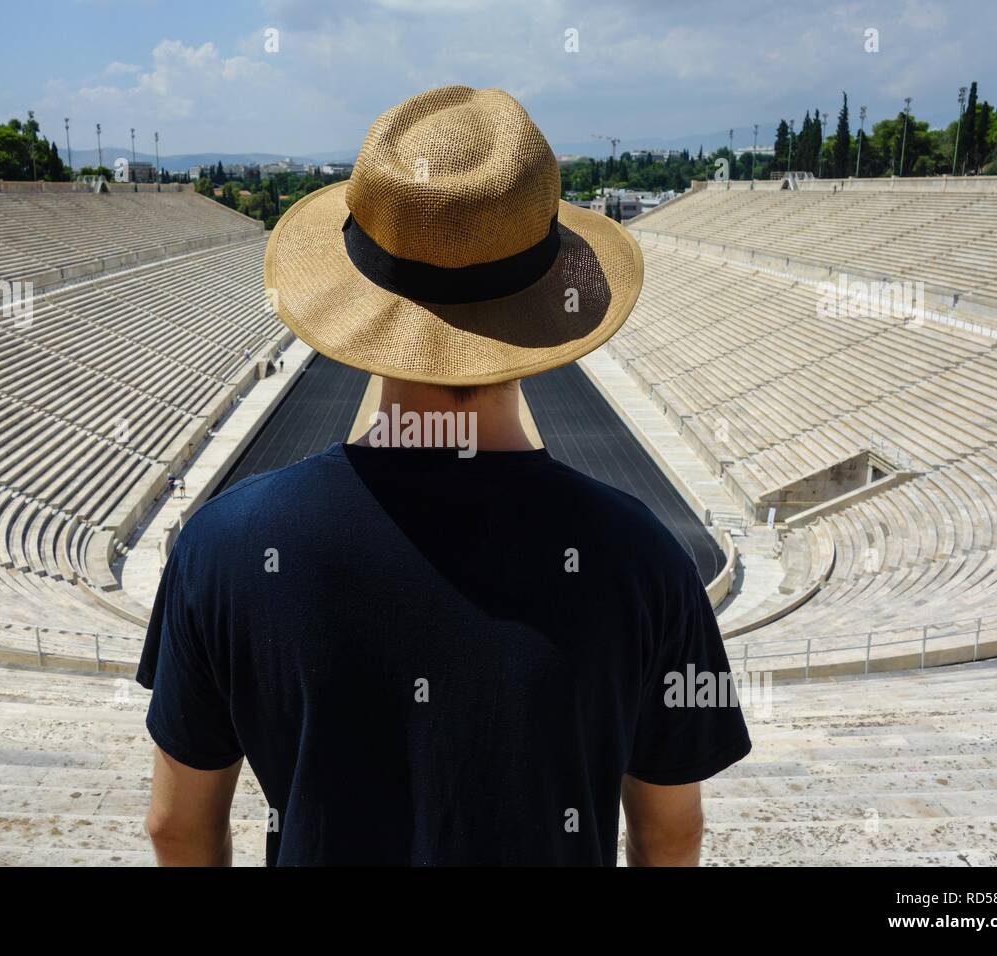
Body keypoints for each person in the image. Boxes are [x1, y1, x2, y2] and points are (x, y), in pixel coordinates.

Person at [138, 85, 750, 867]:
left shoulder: (224, 546)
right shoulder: (648, 561)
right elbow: (671, 833)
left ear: (361, 295)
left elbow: (176, 827)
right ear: (545, 297)